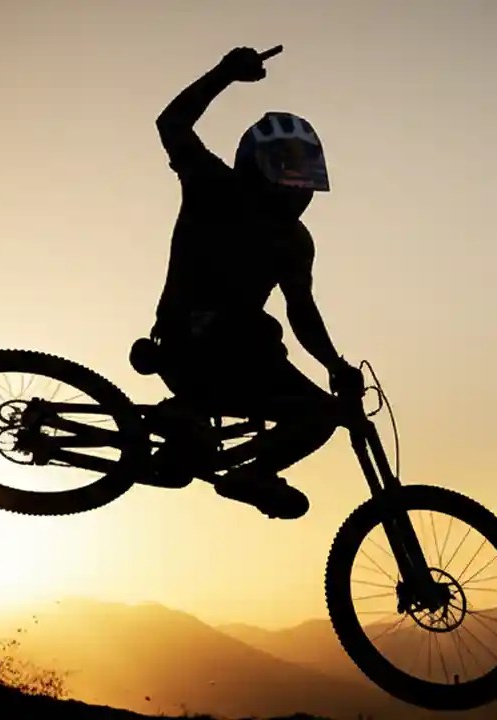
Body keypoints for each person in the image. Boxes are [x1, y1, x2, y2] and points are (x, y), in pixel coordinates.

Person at [146, 45, 361, 520]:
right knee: (315, 411)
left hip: (244, 356)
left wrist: (334, 364)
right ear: (257, 166)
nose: (296, 184)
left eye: (303, 172)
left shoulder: (293, 240)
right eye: (287, 169)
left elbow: (301, 309)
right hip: (192, 342)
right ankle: (243, 465)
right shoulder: (214, 187)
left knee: (317, 409)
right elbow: (172, 123)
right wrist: (224, 73)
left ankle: (213, 443)